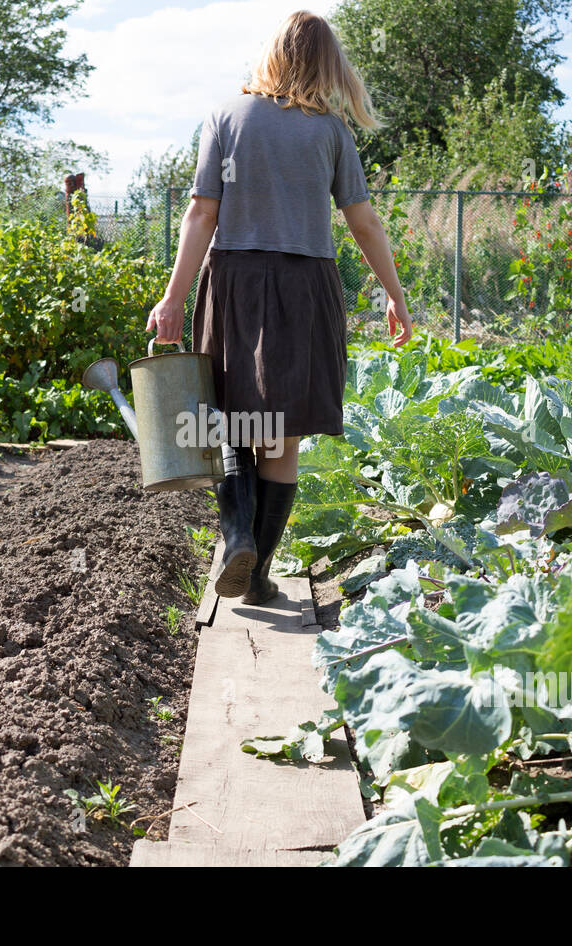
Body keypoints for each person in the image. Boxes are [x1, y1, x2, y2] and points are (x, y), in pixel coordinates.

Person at [146, 10, 412, 604]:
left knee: (233, 420)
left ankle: (237, 534)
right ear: (328, 65)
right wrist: (395, 296)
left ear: (269, 54)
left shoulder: (225, 116)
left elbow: (201, 215)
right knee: (282, 436)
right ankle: (258, 572)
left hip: (234, 280)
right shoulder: (331, 132)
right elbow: (364, 223)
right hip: (304, 288)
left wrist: (171, 299)